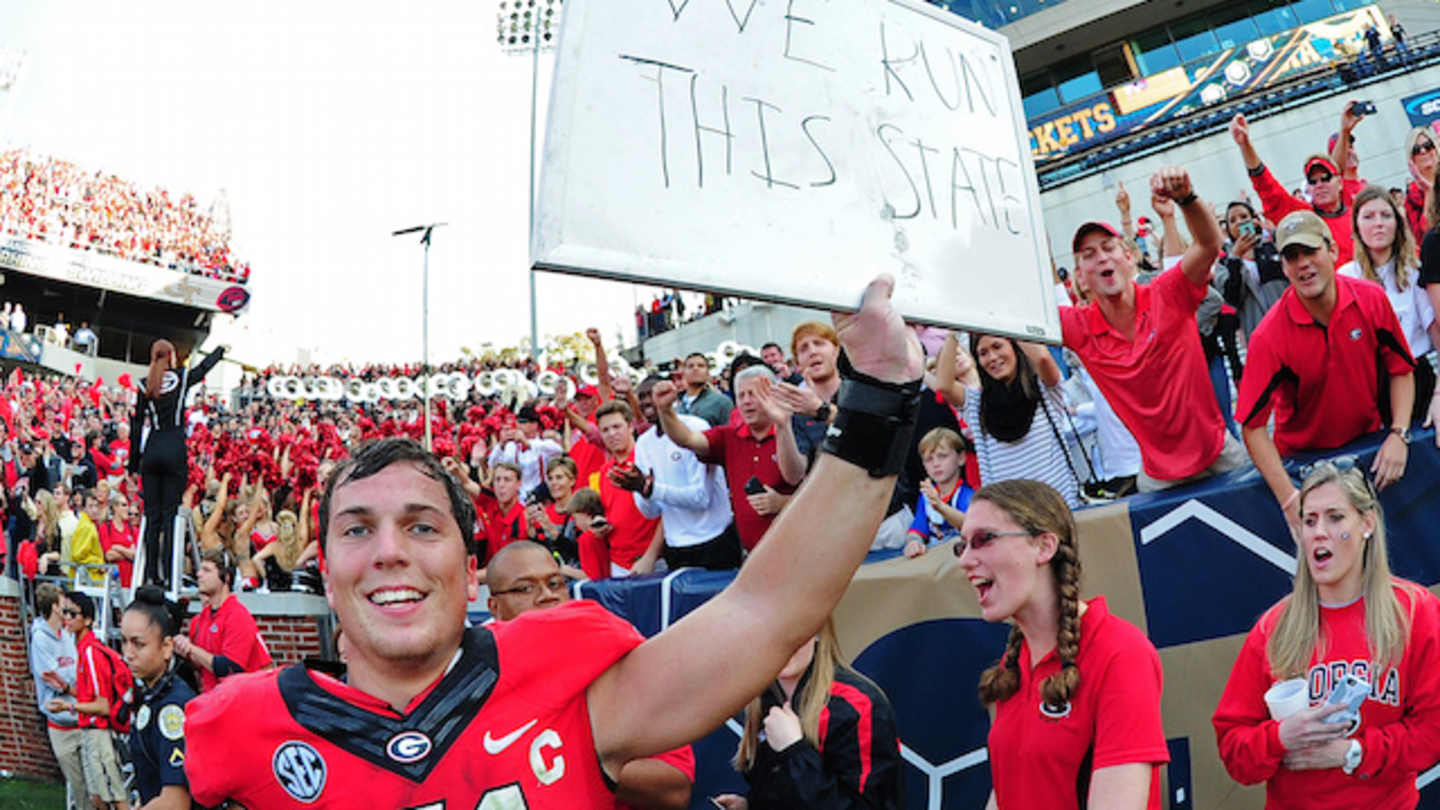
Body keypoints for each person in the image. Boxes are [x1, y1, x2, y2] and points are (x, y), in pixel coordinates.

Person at [181, 275, 925, 808]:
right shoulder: (241, 722)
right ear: (327, 567)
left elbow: (768, 610)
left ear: (470, 573)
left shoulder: (562, 672)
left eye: (421, 526)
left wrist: (880, 399)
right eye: (356, 528)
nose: (389, 551)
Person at [1212, 462, 1440, 808]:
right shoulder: (1275, 627)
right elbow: (1233, 750)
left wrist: (1354, 752)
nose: (1319, 532)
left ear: (1367, 524)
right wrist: (1279, 738)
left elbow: (1432, 732)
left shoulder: (1415, 612)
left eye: (1335, 518)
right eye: (1309, 520)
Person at [957, 480, 1168, 810]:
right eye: (962, 546)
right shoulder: (1013, 662)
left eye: (984, 539)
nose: (965, 560)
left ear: (1044, 547)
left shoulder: (1121, 653)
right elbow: (1008, 793)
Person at [1063, 167, 1244, 492]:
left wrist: (1187, 199)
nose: (1102, 257)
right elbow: (1015, 310)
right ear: (1081, 276)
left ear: (1129, 256)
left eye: (1108, 247)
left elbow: (1207, 244)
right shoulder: (1079, 328)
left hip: (1219, 454)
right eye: (1089, 255)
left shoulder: (1167, 293)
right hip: (1159, 477)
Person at [1237, 210, 1417, 531]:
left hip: (1368, 449)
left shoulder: (1371, 298)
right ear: (1284, 266)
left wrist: (1399, 434)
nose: (1303, 263)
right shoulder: (1268, 336)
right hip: (1305, 464)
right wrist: (1288, 498)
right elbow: (1252, 427)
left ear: (1332, 250)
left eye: (1310, 251)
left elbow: (1401, 368)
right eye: (1292, 256)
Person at [486, 541, 695, 810]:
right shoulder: (474, 679)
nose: (547, 595)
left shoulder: (616, 659)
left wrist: (570, 759)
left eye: (556, 583)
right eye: (525, 588)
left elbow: (674, 788)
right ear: (494, 607)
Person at [713, 618, 903, 810]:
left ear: (818, 630)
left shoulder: (856, 704)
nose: (783, 644)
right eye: (770, 631)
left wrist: (794, 750)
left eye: (795, 630)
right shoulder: (762, 698)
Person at [653, 365, 803, 552]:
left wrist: (783, 503)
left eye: (753, 394)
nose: (747, 402)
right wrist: (665, 411)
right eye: (741, 395)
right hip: (752, 556)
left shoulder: (797, 429)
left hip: (797, 549)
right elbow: (687, 439)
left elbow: (797, 477)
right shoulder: (728, 436)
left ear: (771, 395)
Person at [935, 331, 1080, 506]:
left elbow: (1042, 358)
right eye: (983, 353)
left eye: (997, 347)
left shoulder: (1044, 389)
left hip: (1056, 510)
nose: (992, 357)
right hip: (1010, 520)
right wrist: (953, 333)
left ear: (1015, 347)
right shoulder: (976, 403)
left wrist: (1008, 321)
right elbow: (944, 385)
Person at [1337, 185, 1440, 426]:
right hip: (1368, 390)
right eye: (1368, 217)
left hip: (1417, 381)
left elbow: (1436, 331)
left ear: (1397, 223)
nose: (1378, 223)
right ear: (1357, 227)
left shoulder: (1414, 272)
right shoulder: (1345, 278)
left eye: (1386, 215)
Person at [614, 376, 740, 571]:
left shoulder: (696, 428)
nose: (647, 401)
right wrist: (642, 491)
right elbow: (651, 512)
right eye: (642, 396)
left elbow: (701, 498)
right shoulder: (643, 443)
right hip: (676, 548)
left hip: (716, 541)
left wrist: (650, 488)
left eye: (652, 394)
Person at [130, 340, 226, 588]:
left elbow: (137, 425)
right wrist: (219, 351)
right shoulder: (181, 378)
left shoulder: (144, 384)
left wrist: (133, 465)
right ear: (172, 357)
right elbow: (202, 370)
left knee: (151, 517)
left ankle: (151, 574)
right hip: (174, 447)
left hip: (152, 449)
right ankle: (169, 575)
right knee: (169, 515)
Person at [1231, 113, 1356, 265]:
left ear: (1340, 183)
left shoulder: (1359, 215)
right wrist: (1245, 146)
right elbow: (1266, 187)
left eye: (1325, 178)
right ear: (1308, 188)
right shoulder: (1302, 218)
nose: (1320, 185)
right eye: (1313, 181)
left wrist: (1345, 132)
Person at [46, 591, 132, 810]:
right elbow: (90, 696)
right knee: (98, 797)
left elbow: (102, 705)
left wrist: (69, 705)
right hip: (91, 732)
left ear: (88, 620)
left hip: (98, 733)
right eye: (64, 612)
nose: (66, 617)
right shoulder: (84, 649)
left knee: (114, 795)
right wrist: (66, 688)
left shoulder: (91, 653)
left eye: (72, 613)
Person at [121, 586, 196, 810]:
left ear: (166, 647)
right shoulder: (152, 693)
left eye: (139, 644)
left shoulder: (172, 708)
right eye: (124, 641)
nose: (128, 653)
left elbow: (176, 801)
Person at [173, 548, 274, 692]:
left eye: (207, 570)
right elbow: (201, 665)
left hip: (245, 702)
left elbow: (230, 668)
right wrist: (184, 651)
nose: (199, 574)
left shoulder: (237, 615)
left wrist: (192, 649)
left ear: (226, 577)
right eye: (200, 569)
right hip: (215, 700)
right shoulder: (200, 619)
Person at [30, 583, 85, 810]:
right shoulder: (40, 639)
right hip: (61, 725)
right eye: (63, 602)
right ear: (54, 606)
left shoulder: (67, 634)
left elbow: (70, 673)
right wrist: (71, 675)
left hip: (80, 718)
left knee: (94, 787)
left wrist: (68, 676)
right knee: (79, 789)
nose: (67, 607)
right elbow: (51, 678)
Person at [594, 400, 663, 576]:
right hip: (617, 562)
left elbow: (668, 513)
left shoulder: (649, 460)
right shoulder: (604, 472)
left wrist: (650, 557)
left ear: (631, 426)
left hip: (651, 562)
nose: (612, 434)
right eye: (605, 430)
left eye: (617, 427)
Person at [1215, 200, 1288, 339]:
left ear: (1254, 219)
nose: (1239, 222)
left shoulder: (1272, 246)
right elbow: (1232, 297)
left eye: (1244, 217)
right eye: (1232, 220)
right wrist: (1235, 258)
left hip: (1288, 322)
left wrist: (1270, 232)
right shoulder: (1225, 262)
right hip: (1258, 331)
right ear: (1228, 229)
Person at [903, 427, 973, 558]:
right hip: (935, 560)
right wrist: (913, 542)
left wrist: (940, 506)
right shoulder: (926, 496)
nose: (936, 464)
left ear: (961, 458)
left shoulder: (967, 494)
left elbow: (970, 524)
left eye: (942, 456)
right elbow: (917, 529)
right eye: (929, 459)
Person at [487, 404, 562, 501]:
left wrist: (527, 443)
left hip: (541, 496)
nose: (519, 426)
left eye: (523, 422)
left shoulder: (543, 443)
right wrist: (501, 445)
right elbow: (492, 463)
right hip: (517, 497)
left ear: (535, 425)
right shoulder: (511, 446)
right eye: (518, 422)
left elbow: (558, 450)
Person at [676, 352, 733, 427]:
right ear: (684, 373)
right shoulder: (676, 406)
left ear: (708, 372)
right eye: (690, 366)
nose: (695, 368)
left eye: (701, 366)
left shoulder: (723, 402)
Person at [1402, 127, 1435, 239]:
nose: (1423, 151)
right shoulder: (1412, 197)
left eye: (1428, 145)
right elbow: (1423, 235)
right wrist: (1429, 192)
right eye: (1417, 149)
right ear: (1412, 158)